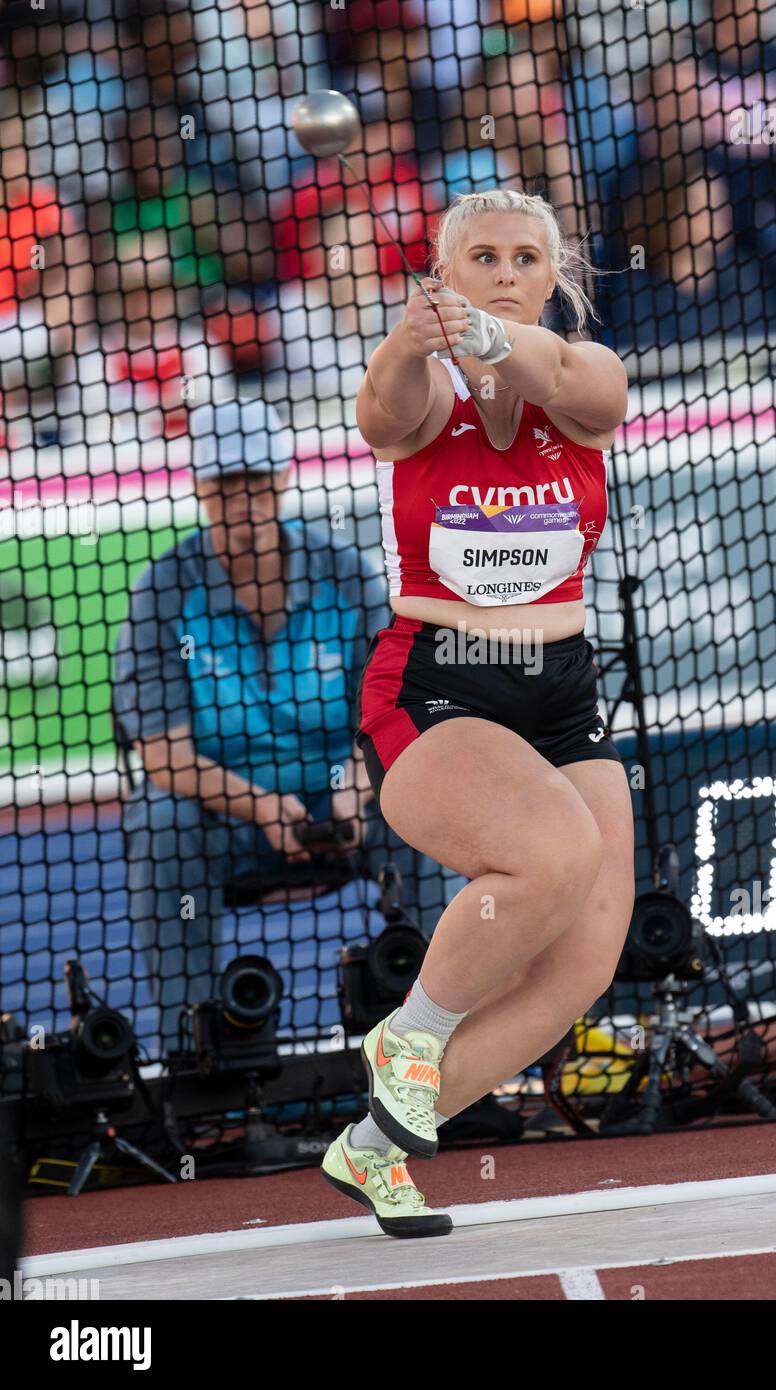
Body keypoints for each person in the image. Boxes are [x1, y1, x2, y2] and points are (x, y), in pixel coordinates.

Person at [320, 188, 635, 1237]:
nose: (505, 271)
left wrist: (501, 336)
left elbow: (567, 380)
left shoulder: (580, 375)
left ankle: (374, 1146)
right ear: (444, 274)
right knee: (549, 852)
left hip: (560, 686)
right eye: (483, 257)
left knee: (586, 949)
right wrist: (409, 344)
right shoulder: (421, 385)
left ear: (552, 277)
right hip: (438, 680)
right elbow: (380, 415)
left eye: (525, 258)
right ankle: (406, 1040)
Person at [112, 397, 384, 1055]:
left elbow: (389, 713)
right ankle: (198, 1052)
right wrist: (260, 806)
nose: (242, 504)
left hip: (343, 804)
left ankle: (437, 1038)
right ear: (201, 491)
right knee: (158, 819)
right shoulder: (162, 593)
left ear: (281, 481)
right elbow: (162, 757)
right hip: (226, 822)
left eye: (255, 484)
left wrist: (358, 784)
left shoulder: (348, 576)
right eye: (224, 487)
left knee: (427, 800)